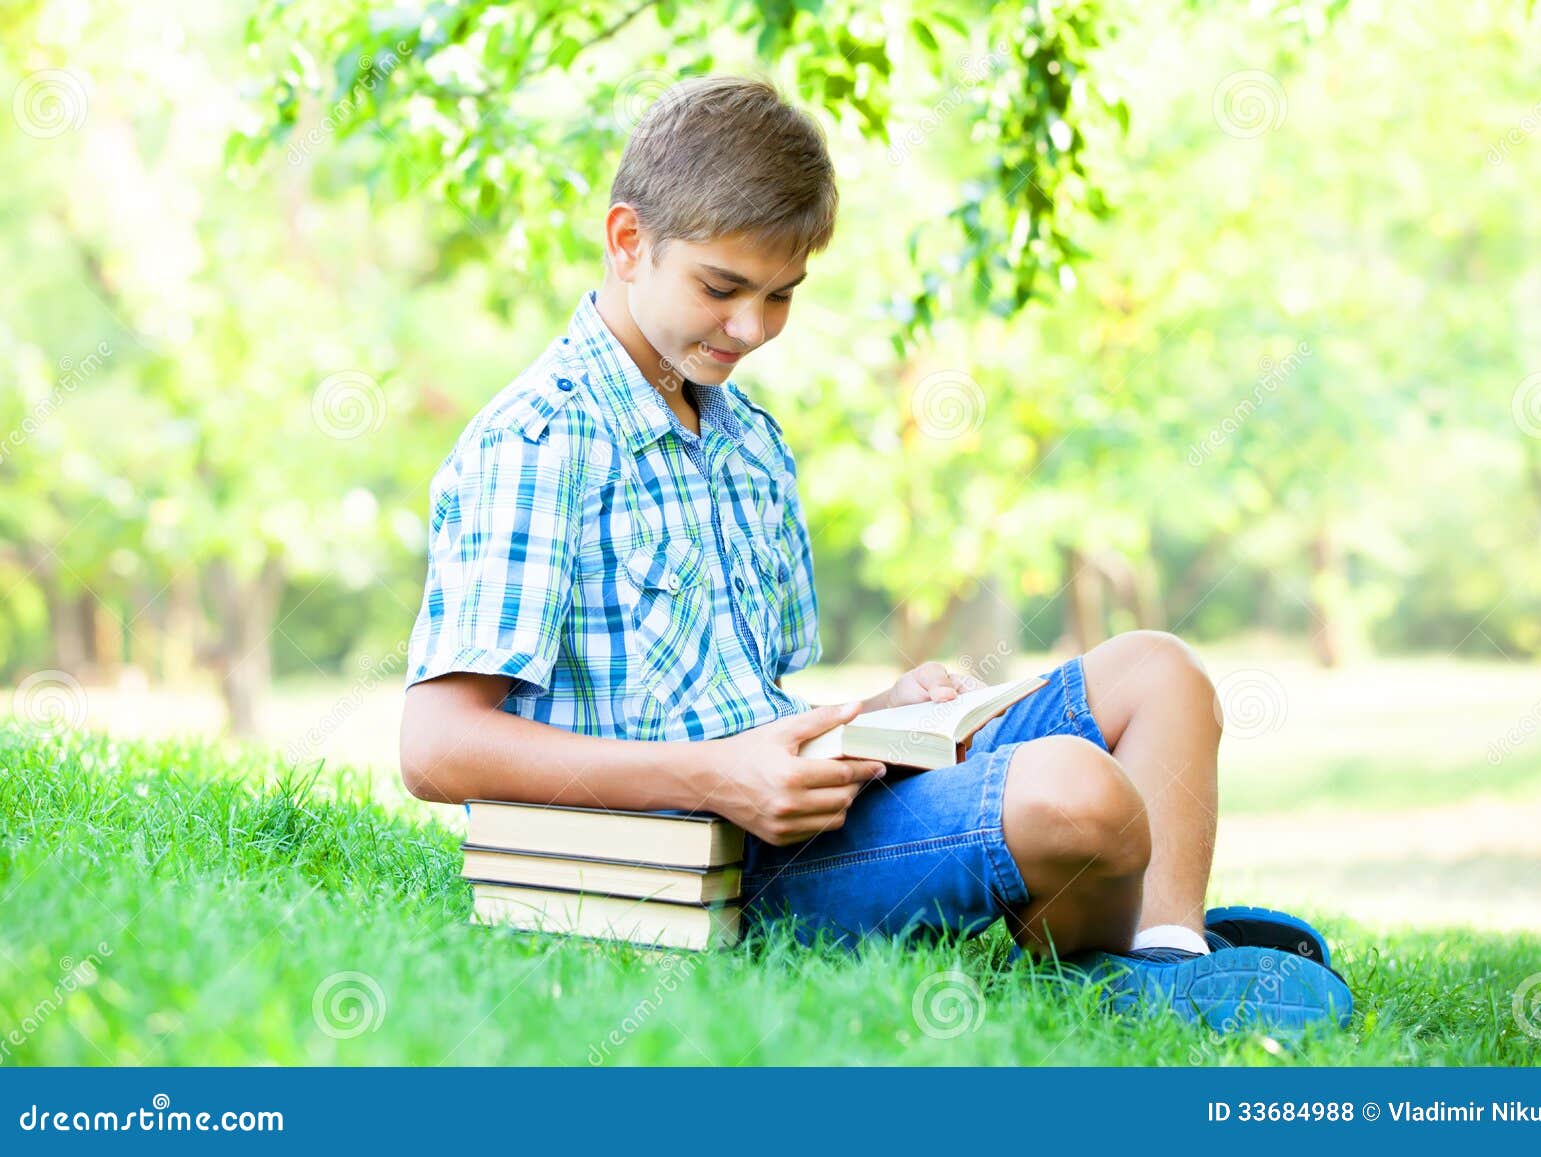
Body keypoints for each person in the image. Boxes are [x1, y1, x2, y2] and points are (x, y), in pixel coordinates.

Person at [398, 74, 1352, 1034]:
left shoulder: (746, 440)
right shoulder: (537, 441)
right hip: (702, 868)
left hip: (796, 812)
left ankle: (1162, 956)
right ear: (627, 241)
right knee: (1077, 790)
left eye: (781, 295)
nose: (752, 328)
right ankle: (1131, 970)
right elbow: (436, 748)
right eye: (722, 288)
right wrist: (715, 775)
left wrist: (878, 718)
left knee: (1161, 672)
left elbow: (749, 703)